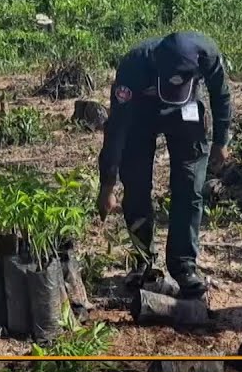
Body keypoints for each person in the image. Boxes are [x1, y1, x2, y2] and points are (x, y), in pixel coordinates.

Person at [96, 32, 232, 301]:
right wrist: (107, 184)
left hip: (186, 110)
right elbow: (117, 130)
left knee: (190, 186)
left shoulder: (207, 54)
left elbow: (221, 93)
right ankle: (144, 261)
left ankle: (184, 266)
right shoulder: (134, 67)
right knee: (135, 185)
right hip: (140, 115)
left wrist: (221, 140)